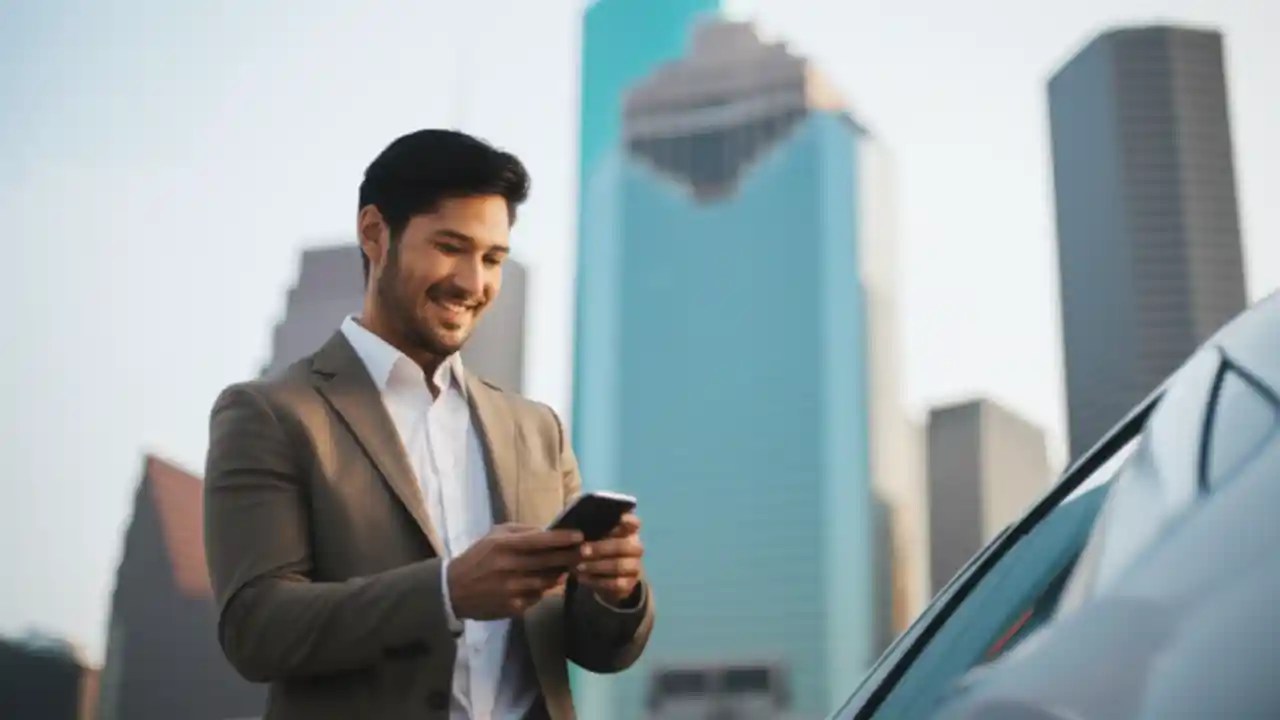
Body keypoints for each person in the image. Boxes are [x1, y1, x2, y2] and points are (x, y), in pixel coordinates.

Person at [203, 129, 653, 720]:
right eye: (450, 246)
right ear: (374, 234)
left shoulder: (537, 430)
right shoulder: (271, 413)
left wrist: (614, 592)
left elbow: (596, 648)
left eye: (493, 258)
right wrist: (447, 592)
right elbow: (256, 628)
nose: (473, 283)